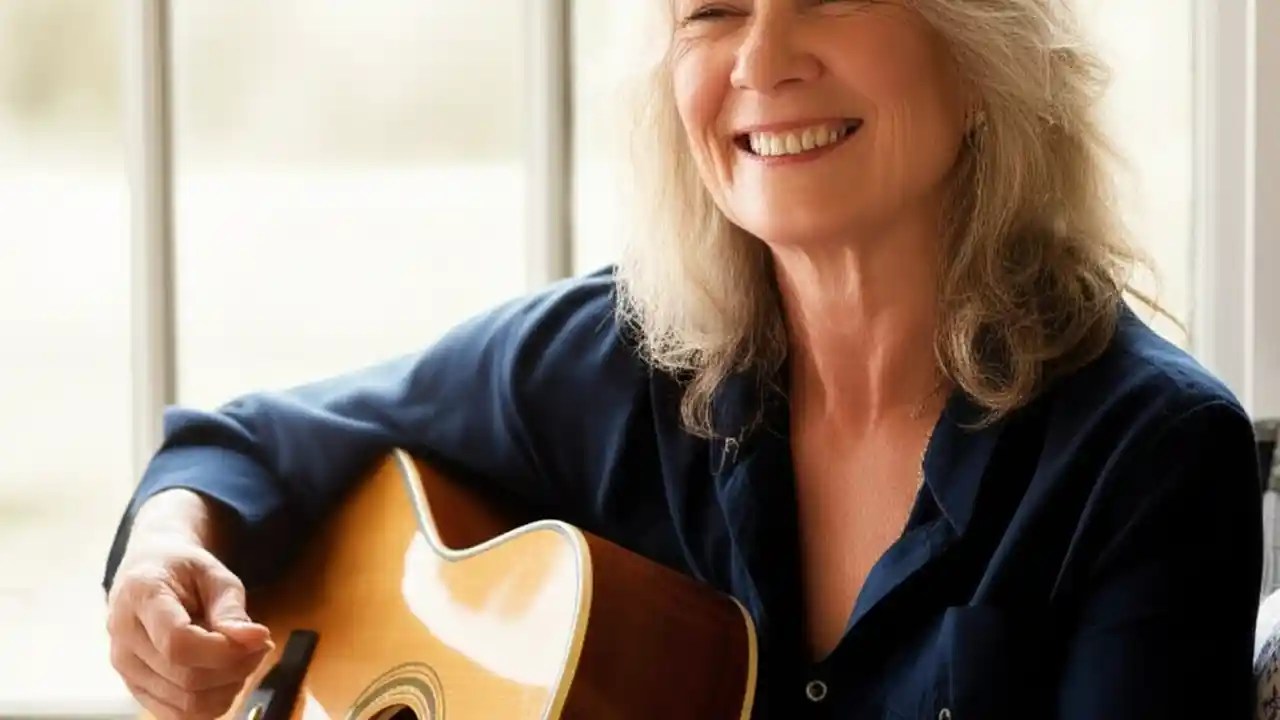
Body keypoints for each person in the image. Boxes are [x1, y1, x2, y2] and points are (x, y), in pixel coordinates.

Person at [102, 1, 1262, 718]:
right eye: (710, 11)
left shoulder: (1148, 456)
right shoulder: (613, 359)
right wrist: (165, 557)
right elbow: (252, 444)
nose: (762, 57)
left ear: (979, 59)